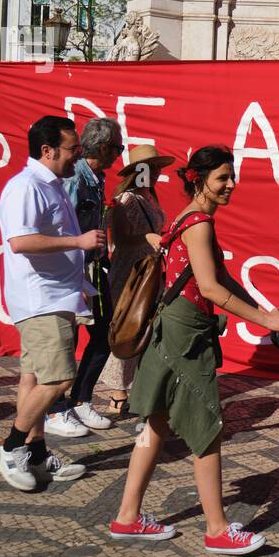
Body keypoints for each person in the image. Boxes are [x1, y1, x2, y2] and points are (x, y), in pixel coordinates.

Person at [109, 145, 279, 552]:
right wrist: (263, 320)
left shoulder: (186, 217)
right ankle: (217, 530)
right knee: (206, 426)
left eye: (232, 176)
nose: (231, 184)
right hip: (185, 335)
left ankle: (127, 516)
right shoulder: (199, 223)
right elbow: (209, 289)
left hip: (169, 327)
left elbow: (221, 277)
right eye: (222, 178)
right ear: (199, 180)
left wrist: (265, 310)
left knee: (155, 424)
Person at [0, 116, 101, 491]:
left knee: (34, 377)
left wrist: (80, 282)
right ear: (47, 150)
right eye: (72, 150)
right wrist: (79, 243)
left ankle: (36, 455)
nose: (77, 157)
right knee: (59, 378)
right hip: (40, 298)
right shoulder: (25, 187)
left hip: (57, 295)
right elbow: (21, 242)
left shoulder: (52, 185)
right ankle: (10, 447)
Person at [44, 117, 124, 438]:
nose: (119, 154)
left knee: (105, 331)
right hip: (71, 269)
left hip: (93, 267)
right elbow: (63, 224)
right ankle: (55, 407)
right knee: (67, 339)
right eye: (117, 147)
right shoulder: (74, 178)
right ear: (103, 147)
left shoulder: (97, 177)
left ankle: (81, 397)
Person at [98, 144, 173, 415]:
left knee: (147, 326)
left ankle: (139, 385)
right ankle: (118, 392)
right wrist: (147, 238)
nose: (156, 174)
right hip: (130, 270)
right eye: (150, 169)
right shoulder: (127, 200)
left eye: (157, 169)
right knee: (129, 325)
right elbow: (119, 239)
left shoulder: (150, 198)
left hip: (150, 268)